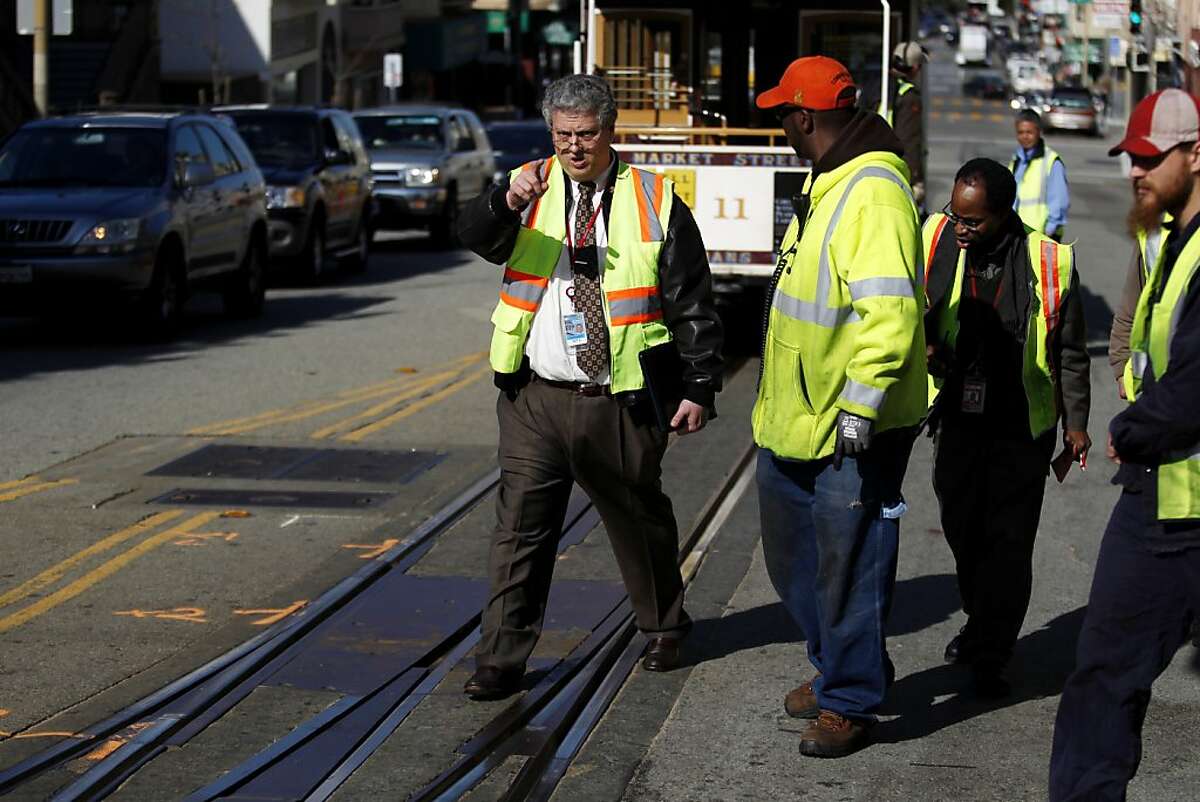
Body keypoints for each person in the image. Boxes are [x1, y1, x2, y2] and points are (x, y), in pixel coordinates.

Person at [455, 74, 724, 700]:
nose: (574, 148)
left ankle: (663, 625)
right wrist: (504, 201)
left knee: (637, 517)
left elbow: (692, 301)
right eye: (562, 135)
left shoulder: (654, 198)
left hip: (618, 396)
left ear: (610, 131)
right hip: (535, 397)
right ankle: (501, 657)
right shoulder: (531, 187)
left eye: (586, 135)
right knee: (519, 529)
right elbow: (475, 237)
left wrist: (700, 386)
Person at [753, 56, 927, 758]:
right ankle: (839, 668)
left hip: (852, 423)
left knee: (850, 560)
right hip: (797, 415)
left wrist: (860, 406)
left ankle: (851, 699)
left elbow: (889, 311)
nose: (780, 128)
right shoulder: (828, 180)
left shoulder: (873, 191)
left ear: (804, 117)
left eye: (782, 116)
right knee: (793, 554)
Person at [1049, 89, 1200, 801]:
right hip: (1166, 487)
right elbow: (1138, 337)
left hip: (1174, 499)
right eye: (1130, 157)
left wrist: (1131, 426)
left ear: (1195, 155)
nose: (1134, 170)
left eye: (1149, 157)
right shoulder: (1169, 235)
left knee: (1105, 673)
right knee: (1107, 675)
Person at [924, 159, 1090, 698]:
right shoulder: (937, 238)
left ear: (1002, 215)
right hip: (957, 415)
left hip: (1021, 425)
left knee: (1010, 542)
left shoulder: (1047, 260)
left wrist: (1076, 426)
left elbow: (1069, 353)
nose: (961, 227)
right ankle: (980, 619)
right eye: (956, 214)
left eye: (973, 221)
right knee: (961, 527)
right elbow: (907, 309)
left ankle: (992, 652)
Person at [880, 41, 928, 208]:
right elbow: (909, 140)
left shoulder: (877, 85)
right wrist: (915, 179)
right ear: (915, 68)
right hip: (893, 169)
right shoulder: (909, 96)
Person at [1011, 109, 1069, 241]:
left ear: (1039, 131)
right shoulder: (1016, 160)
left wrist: (1049, 231)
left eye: (1029, 132)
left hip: (1042, 236)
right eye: (1021, 132)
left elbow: (1059, 201)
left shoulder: (1051, 161)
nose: (1025, 136)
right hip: (1018, 234)